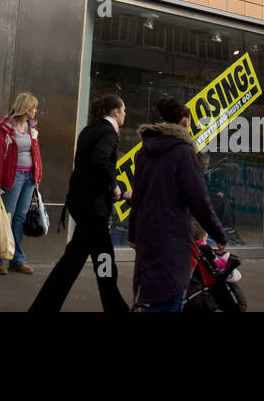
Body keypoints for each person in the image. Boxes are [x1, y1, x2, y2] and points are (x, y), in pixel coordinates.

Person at [29, 94, 131, 313]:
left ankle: (45, 307)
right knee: (99, 261)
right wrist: (114, 188)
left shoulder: (89, 130)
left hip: (81, 203)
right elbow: (100, 161)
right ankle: (115, 307)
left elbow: (85, 167)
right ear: (115, 112)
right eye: (123, 110)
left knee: (81, 261)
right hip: (93, 209)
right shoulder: (108, 132)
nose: (125, 114)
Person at [129, 97, 227, 312]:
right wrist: (219, 234)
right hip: (171, 235)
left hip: (147, 232)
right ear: (185, 122)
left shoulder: (144, 151)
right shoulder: (183, 152)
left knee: (150, 294)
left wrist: (133, 232)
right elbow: (199, 199)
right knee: (170, 296)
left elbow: (138, 196)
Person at [0, 91, 42, 275]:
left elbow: (36, 153)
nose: (35, 111)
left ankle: (17, 258)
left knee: (20, 218)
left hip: (28, 178)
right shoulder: (4, 128)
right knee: (6, 218)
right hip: (12, 177)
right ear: (25, 109)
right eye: (33, 107)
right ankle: (0, 259)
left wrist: (37, 176)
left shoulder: (31, 128)